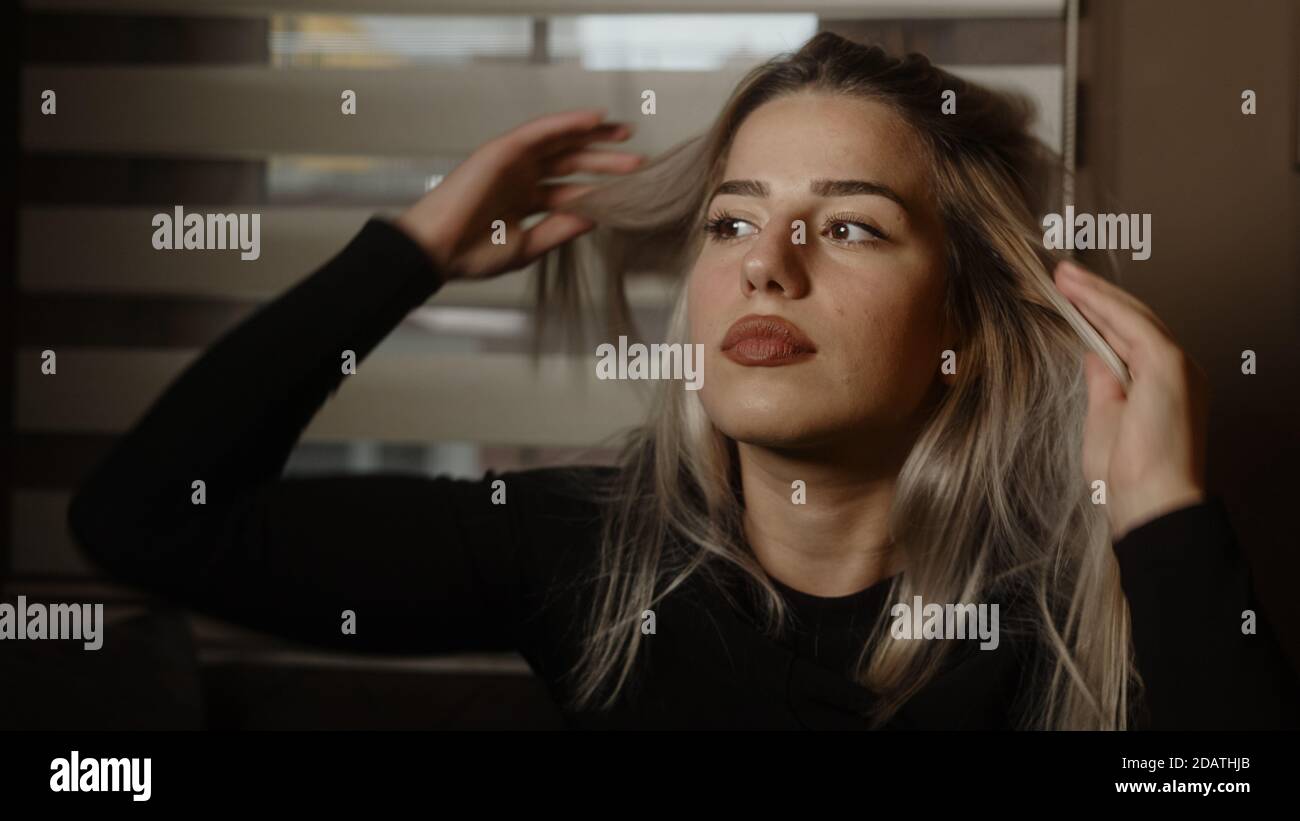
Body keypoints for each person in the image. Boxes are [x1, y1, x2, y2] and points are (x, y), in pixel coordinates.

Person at [67, 33, 1299, 729]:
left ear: (966, 328)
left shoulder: (1075, 619)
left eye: (853, 226)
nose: (766, 265)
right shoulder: (585, 554)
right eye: (728, 223)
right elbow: (144, 518)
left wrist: (1165, 525)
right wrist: (409, 253)